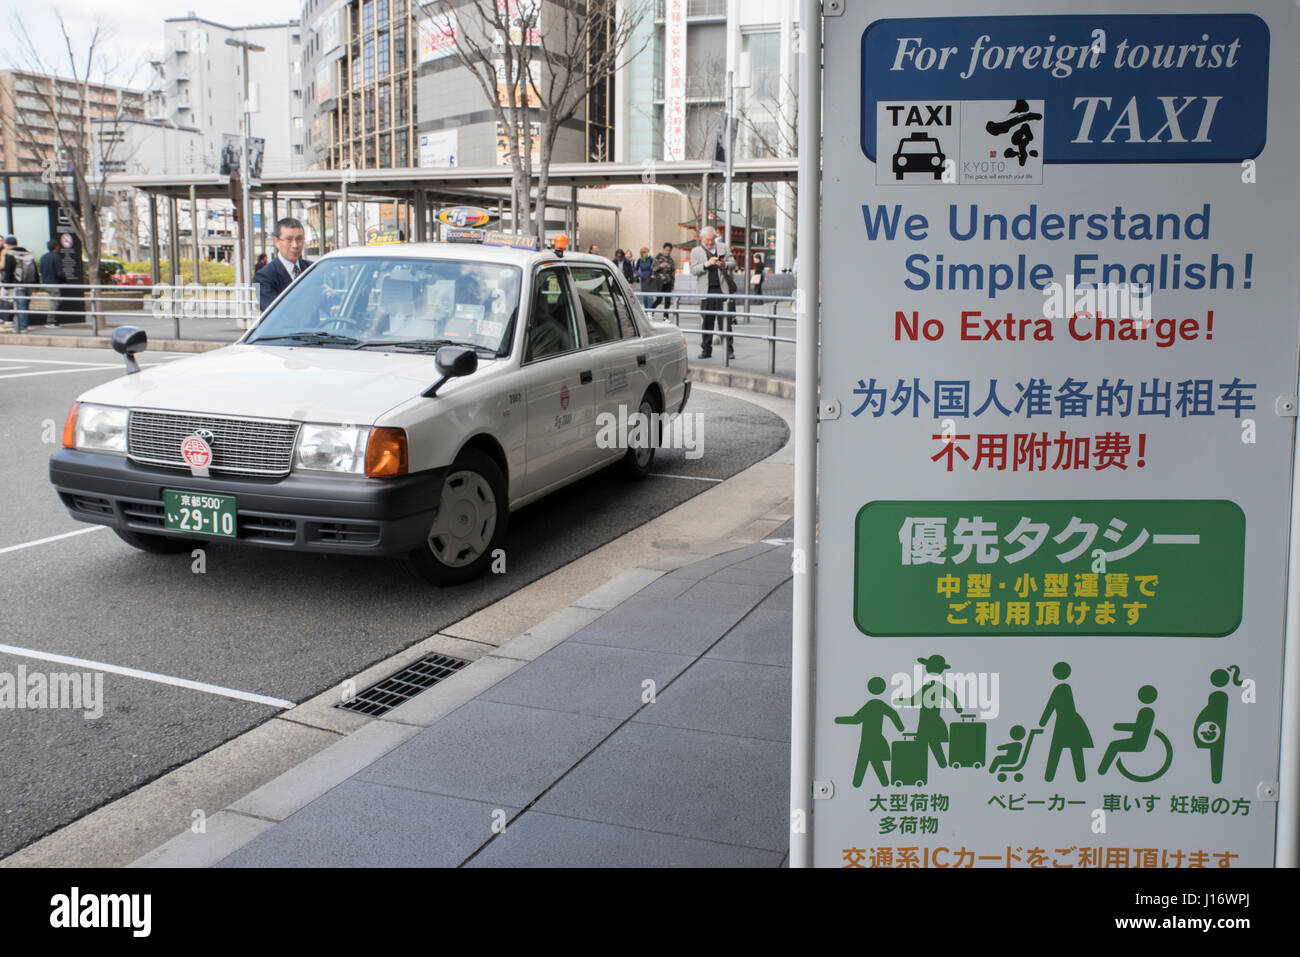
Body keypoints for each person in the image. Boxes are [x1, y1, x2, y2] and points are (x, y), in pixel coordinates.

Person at [688, 226, 735, 358]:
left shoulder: (723, 248)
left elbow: (733, 263)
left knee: (725, 322)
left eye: (712, 239)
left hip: (722, 290)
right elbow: (693, 270)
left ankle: (729, 350)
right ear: (702, 238)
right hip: (706, 291)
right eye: (707, 240)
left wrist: (724, 264)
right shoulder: (696, 251)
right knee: (707, 322)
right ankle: (706, 350)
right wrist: (706, 264)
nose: (710, 242)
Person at [255, 217, 312, 312]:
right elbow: (271, 311)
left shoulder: (312, 269)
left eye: (299, 239)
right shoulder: (262, 277)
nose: (295, 245)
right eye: (289, 239)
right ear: (276, 241)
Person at [1, 236, 36, 333]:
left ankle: (22, 327)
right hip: (29, 284)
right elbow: (35, 269)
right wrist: (36, 284)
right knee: (25, 305)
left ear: (7, 245)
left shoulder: (10, 255)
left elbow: (8, 271)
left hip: (18, 284)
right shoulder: (27, 252)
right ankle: (22, 326)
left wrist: (6, 286)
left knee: (20, 305)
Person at [39, 240, 66, 328]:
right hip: (53, 283)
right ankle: (50, 321)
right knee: (55, 301)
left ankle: (51, 320)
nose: (59, 247)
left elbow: (41, 271)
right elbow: (59, 273)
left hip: (45, 283)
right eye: (58, 246)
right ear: (55, 247)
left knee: (54, 301)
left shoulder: (43, 257)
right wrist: (64, 278)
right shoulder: (56, 257)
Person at [651, 242, 677, 320]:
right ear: (663, 249)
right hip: (660, 282)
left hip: (668, 282)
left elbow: (673, 273)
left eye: (669, 250)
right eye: (666, 250)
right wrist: (660, 266)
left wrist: (672, 285)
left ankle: (666, 317)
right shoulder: (658, 257)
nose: (667, 252)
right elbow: (653, 268)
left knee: (668, 300)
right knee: (659, 299)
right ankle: (650, 312)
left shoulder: (671, 260)